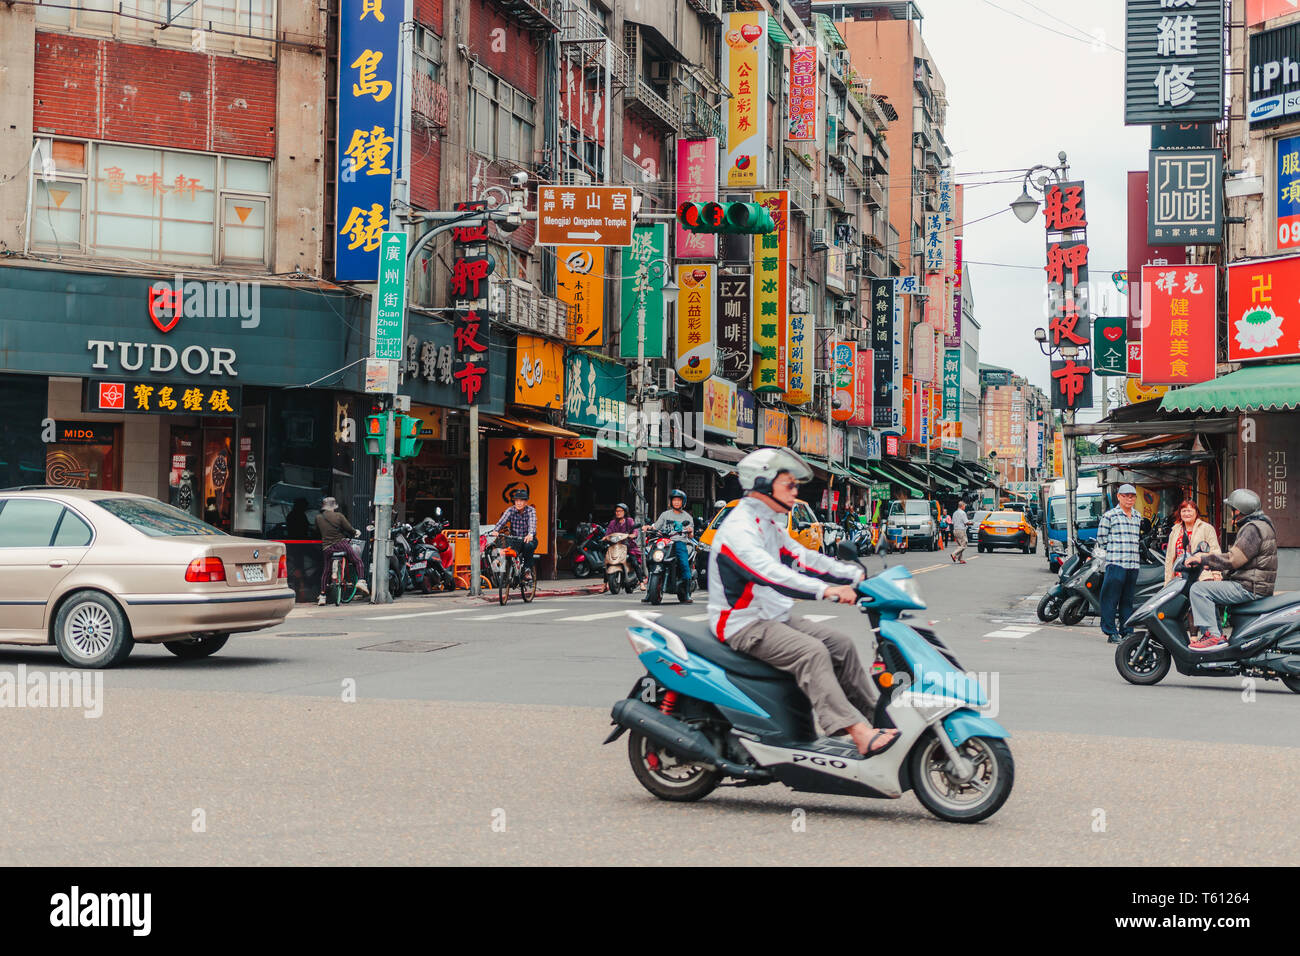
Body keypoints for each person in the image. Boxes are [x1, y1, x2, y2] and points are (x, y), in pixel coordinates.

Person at [708, 448, 899, 757]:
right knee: (812, 653)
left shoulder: (769, 523)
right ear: (763, 485)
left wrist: (853, 576)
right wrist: (827, 591)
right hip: (744, 623)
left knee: (842, 645)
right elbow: (772, 575)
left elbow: (802, 558)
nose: (796, 492)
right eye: (790, 485)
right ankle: (857, 732)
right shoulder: (739, 530)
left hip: (774, 617)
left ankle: (879, 719)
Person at [1184, 489, 1276, 651]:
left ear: (1238, 511)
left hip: (1249, 587)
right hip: (1255, 584)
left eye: (1232, 510)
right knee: (1209, 588)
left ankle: (1213, 636)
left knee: (1198, 589)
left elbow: (1234, 559)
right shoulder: (1262, 525)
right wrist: (1219, 572)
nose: (1231, 514)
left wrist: (1203, 559)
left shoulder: (1252, 528)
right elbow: (1245, 561)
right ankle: (1217, 637)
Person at [1095, 484, 1144, 644]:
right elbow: (1101, 540)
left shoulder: (1137, 516)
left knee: (1127, 600)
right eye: (1126, 496)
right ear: (1119, 497)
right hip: (1116, 563)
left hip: (1133, 564)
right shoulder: (1110, 516)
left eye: (1132, 496)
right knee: (1110, 599)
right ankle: (1111, 632)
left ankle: (1127, 630)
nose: (1129, 499)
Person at [645, 489, 695, 604]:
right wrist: (648, 527)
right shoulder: (665, 514)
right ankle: (649, 592)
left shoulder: (687, 517)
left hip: (679, 542)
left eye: (679, 500)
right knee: (651, 560)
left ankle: (687, 593)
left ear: (683, 502)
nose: (676, 502)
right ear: (671, 502)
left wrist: (690, 530)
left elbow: (691, 535)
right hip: (664, 541)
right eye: (674, 500)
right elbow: (656, 526)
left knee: (684, 564)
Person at [315, 496, 369, 605]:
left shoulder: (318, 518)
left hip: (327, 547)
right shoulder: (339, 516)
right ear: (334, 506)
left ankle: (322, 595)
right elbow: (349, 529)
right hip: (341, 544)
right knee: (357, 561)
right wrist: (355, 532)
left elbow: (317, 531)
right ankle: (361, 581)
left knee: (326, 570)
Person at [1163, 499, 1221, 586]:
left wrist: (1216, 573)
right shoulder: (1175, 531)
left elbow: (1215, 551)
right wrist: (1167, 581)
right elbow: (1169, 558)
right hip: (1180, 577)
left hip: (1202, 575)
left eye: (1189, 511)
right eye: (1184, 511)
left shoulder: (1206, 528)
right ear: (1180, 513)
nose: (1186, 514)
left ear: (1196, 512)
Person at [493, 488, 538, 576]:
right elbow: (502, 521)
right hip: (514, 539)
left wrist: (530, 534)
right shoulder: (510, 510)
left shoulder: (531, 510)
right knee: (503, 549)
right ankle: (501, 574)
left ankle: (527, 570)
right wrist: (495, 530)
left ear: (526, 502)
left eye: (521, 500)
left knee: (528, 546)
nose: (518, 503)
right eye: (516, 500)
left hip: (527, 539)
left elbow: (532, 524)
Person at [604, 502, 643, 591]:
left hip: (628, 546)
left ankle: (641, 583)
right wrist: (605, 537)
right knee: (607, 562)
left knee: (634, 562)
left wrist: (633, 534)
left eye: (620, 511)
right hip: (615, 546)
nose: (618, 513)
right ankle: (604, 584)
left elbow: (635, 530)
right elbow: (608, 533)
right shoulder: (613, 522)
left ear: (625, 512)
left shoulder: (629, 521)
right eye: (617, 511)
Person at [949, 500, 970, 564]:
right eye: (964, 506)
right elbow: (966, 522)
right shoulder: (963, 513)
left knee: (960, 545)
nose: (965, 507)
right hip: (961, 530)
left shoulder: (955, 513)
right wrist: (971, 523)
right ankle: (954, 554)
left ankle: (960, 559)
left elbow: (952, 522)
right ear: (962, 506)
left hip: (955, 530)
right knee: (964, 544)